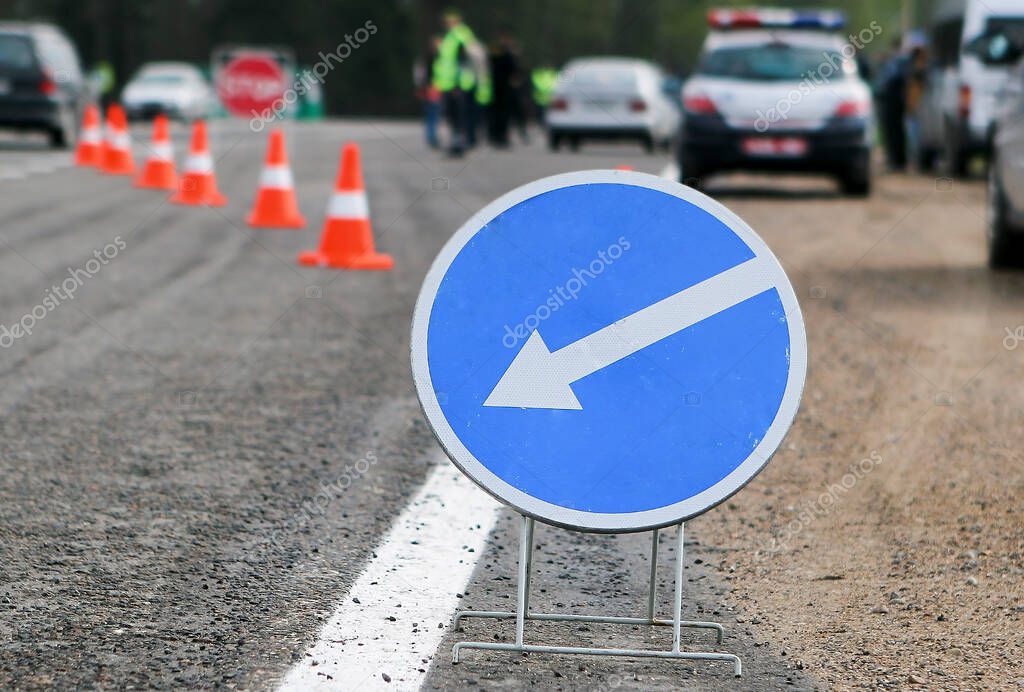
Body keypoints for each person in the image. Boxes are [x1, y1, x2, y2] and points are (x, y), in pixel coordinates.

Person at [435, 9, 481, 157]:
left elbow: (462, 62)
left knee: (458, 115)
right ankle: (457, 142)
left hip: (458, 84)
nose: (447, 24)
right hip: (450, 84)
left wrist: (456, 84)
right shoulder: (452, 36)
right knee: (452, 115)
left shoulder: (460, 36)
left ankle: (459, 143)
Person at [487, 30, 526, 148]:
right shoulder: (505, 52)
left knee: (499, 114)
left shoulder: (497, 51)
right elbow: (514, 69)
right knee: (501, 114)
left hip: (499, 88)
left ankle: (497, 136)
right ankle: (499, 137)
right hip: (501, 88)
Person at [876, 39, 908, 171]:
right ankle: (897, 159)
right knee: (895, 132)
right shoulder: (898, 62)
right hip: (893, 101)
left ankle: (897, 160)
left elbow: (888, 81)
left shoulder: (897, 62)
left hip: (892, 102)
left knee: (894, 132)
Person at [414, 36, 443, 149]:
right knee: (432, 114)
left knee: (434, 114)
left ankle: (432, 135)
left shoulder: (438, 57)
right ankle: (431, 136)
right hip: (430, 88)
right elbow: (420, 74)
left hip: (436, 88)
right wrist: (421, 86)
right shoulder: (429, 58)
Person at [904, 45, 929, 169]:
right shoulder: (918, 69)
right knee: (915, 136)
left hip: (916, 107)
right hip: (915, 107)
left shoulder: (917, 69)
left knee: (915, 137)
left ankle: (916, 161)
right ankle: (916, 161)